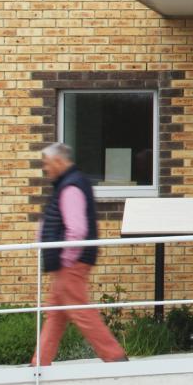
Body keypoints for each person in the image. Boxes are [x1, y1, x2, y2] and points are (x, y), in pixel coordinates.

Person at [32, 143, 127, 366]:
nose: (45, 169)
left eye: (46, 164)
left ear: (58, 161)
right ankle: (39, 363)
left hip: (70, 263)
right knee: (55, 313)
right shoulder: (67, 184)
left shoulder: (71, 187)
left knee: (81, 312)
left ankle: (115, 357)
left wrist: (65, 259)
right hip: (66, 263)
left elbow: (76, 230)